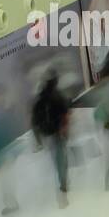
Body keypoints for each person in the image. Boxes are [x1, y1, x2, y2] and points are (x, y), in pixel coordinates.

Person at [31, 71, 71, 207]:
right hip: (57, 133)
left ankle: (62, 183)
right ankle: (63, 187)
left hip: (46, 134)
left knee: (56, 159)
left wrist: (38, 139)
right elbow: (65, 113)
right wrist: (65, 130)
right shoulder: (57, 96)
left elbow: (34, 121)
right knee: (61, 160)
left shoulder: (39, 100)